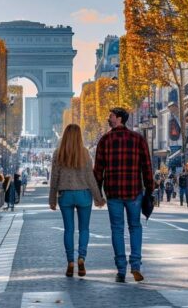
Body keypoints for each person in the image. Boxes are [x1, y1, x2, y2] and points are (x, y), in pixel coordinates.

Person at [94, 107, 153, 283]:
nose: (108, 118)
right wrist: (149, 190)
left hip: (113, 193)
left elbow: (98, 170)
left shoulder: (104, 140)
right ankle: (135, 265)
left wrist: (97, 193)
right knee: (135, 227)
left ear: (119, 118)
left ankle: (121, 269)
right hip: (134, 192)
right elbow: (147, 167)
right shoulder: (138, 139)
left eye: (110, 116)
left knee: (117, 230)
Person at [50, 124, 105, 278]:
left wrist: (52, 198)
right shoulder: (85, 153)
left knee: (68, 230)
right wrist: (98, 198)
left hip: (65, 195)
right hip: (83, 195)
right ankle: (81, 257)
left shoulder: (58, 153)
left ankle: (70, 262)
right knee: (84, 229)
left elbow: (54, 178)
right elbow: (90, 178)